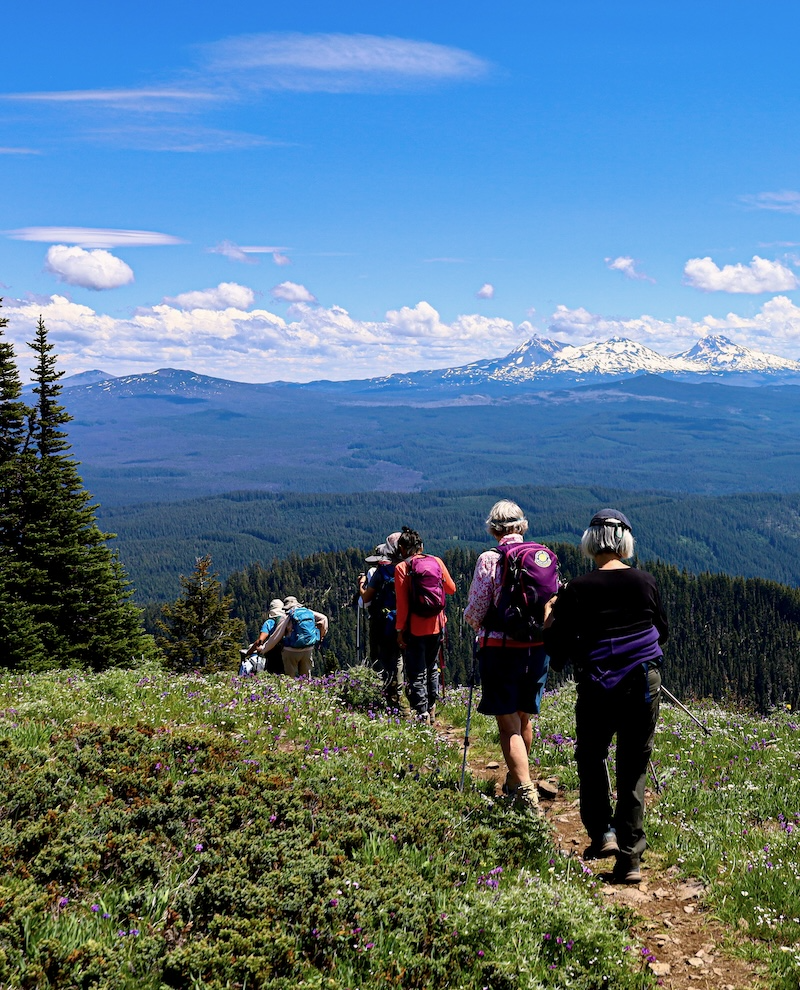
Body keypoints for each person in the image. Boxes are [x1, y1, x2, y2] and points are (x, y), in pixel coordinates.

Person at [544, 508, 669, 883]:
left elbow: (558, 654)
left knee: (591, 755)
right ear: (625, 543)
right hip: (643, 681)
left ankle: (603, 834)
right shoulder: (646, 582)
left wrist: (550, 613)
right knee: (633, 768)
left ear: (590, 543)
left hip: (598, 686)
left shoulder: (577, 590)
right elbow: (661, 633)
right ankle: (631, 859)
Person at [464, 499, 559, 811]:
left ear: (493, 529)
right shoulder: (542, 557)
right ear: (523, 526)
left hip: (500, 648)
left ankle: (525, 792)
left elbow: (477, 608)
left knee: (508, 726)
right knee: (523, 718)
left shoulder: (490, 559)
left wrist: (474, 623)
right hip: (537, 648)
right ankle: (516, 780)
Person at [394, 526, 456, 722]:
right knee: (432, 667)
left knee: (416, 670)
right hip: (437, 625)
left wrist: (399, 630)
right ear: (420, 546)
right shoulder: (436, 562)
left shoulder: (402, 568)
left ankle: (421, 712)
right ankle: (432, 707)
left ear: (403, 549)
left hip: (415, 627)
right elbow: (451, 589)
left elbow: (402, 604)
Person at [358, 533, 404, 709]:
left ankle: (390, 696)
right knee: (402, 659)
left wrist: (361, 586)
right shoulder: (410, 567)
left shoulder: (380, 572)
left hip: (386, 621)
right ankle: (414, 702)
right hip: (409, 620)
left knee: (387, 658)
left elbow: (366, 600)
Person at [257, 595, 330, 677]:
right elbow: (324, 619)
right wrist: (321, 636)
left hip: (291, 651)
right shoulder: (308, 612)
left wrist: (264, 649)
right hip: (307, 649)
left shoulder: (286, 616)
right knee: (306, 677)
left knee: (290, 678)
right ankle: (306, 689)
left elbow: (276, 636)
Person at [240, 599, 285, 675]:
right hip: (287, 652)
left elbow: (260, 640)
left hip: (272, 654)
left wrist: (249, 652)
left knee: (272, 675)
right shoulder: (286, 621)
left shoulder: (269, 623)